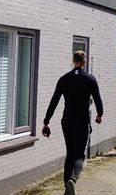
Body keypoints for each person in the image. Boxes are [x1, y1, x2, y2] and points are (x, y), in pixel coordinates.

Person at [42, 50, 103, 195]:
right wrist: (99, 115)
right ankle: (72, 179)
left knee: (69, 153)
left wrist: (46, 121)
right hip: (81, 121)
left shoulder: (64, 79)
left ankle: (67, 189)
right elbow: (98, 100)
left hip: (67, 121)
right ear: (84, 61)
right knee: (79, 154)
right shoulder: (90, 79)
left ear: (73, 61)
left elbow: (54, 101)